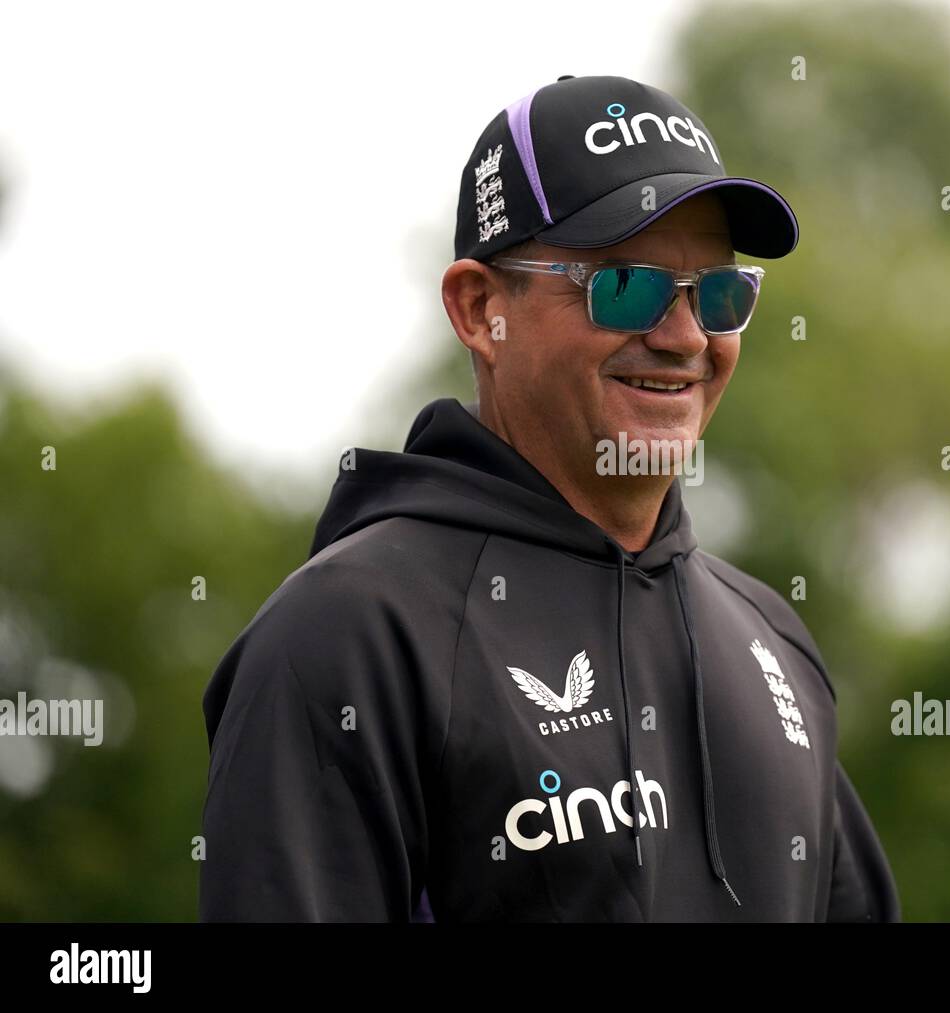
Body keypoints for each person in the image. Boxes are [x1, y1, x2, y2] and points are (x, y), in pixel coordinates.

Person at [199, 73, 900, 922]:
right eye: (627, 286)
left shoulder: (774, 640)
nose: (684, 338)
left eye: (720, 295)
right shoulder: (348, 633)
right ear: (480, 307)